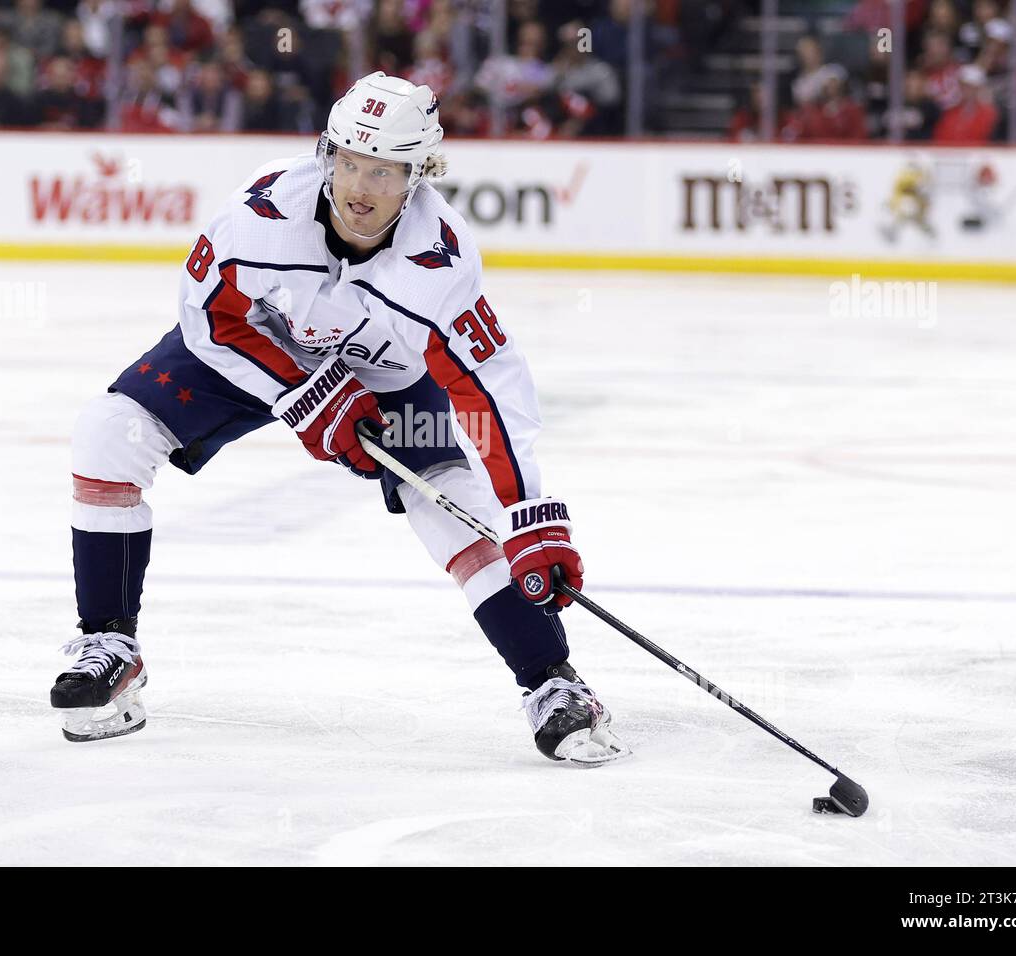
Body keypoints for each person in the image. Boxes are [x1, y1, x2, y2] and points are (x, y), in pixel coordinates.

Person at [50, 72, 628, 766]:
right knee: (110, 432)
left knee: (452, 504)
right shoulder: (259, 215)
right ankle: (111, 646)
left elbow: (487, 385)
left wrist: (528, 510)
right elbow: (210, 318)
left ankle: (552, 681)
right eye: (349, 162)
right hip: (256, 347)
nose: (360, 186)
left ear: (419, 175)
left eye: (384, 171)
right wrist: (308, 392)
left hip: (391, 380)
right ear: (326, 154)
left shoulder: (438, 258)